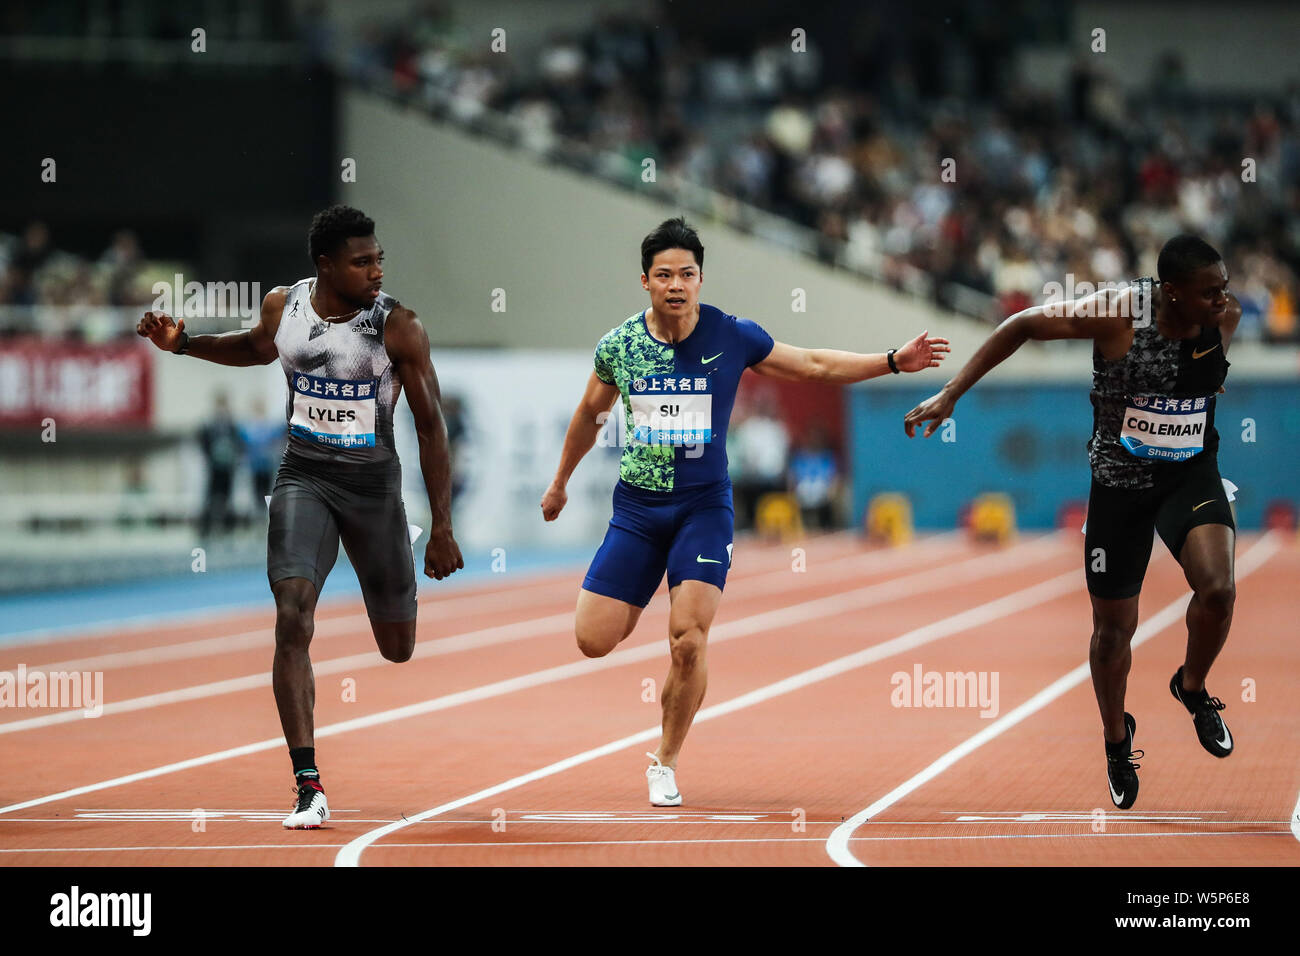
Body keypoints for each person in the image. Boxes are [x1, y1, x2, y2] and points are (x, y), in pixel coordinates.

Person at [541, 217, 948, 806]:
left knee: (687, 640)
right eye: (664, 275)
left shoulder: (733, 335)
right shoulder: (620, 346)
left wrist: (890, 360)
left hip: (703, 508)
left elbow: (813, 364)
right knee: (593, 639)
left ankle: (665, 760)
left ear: (701, 279)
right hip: (638, 510)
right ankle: (638, 607)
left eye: (686, 274)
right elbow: (589, 413)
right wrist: (560, 482)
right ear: (645, 281)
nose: (676, 285)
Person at [137, 205, 463, 828]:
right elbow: (254, 348)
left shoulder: (397, 327)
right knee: (292, 613)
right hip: (303, 477)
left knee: (398, 647)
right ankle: (308, 783)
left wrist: (442, 526)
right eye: (362, 262)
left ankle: (397, 557)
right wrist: (183, 344)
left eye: (379, 260)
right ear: (325, 265)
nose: (376, 271)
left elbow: (430, 427)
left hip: (373, 489)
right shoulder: (283, 307)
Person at [904, 235, 1240, 810]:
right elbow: (1022, 324)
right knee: (1113, 632)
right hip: (1119, 486)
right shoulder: (1117, 313)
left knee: (1219, 590)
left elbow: (1203, 379)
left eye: (1223, 288)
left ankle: (1192, 686)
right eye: (1209, 292)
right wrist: (952, 393)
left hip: (1189, 474)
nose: (1224, 301)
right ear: (1171, 292)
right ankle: (1116, 739)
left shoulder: (1222, 318)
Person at [197, 391, 241, 538]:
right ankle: (206, 528)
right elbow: (203, 442)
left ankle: (227, 527)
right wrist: (209, 457)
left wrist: (234, 458)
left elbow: (238, 443)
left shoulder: (232, 425)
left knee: (227, 497)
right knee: (211, 496)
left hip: (227, 467)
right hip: (214, 467)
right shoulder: (209, 425)